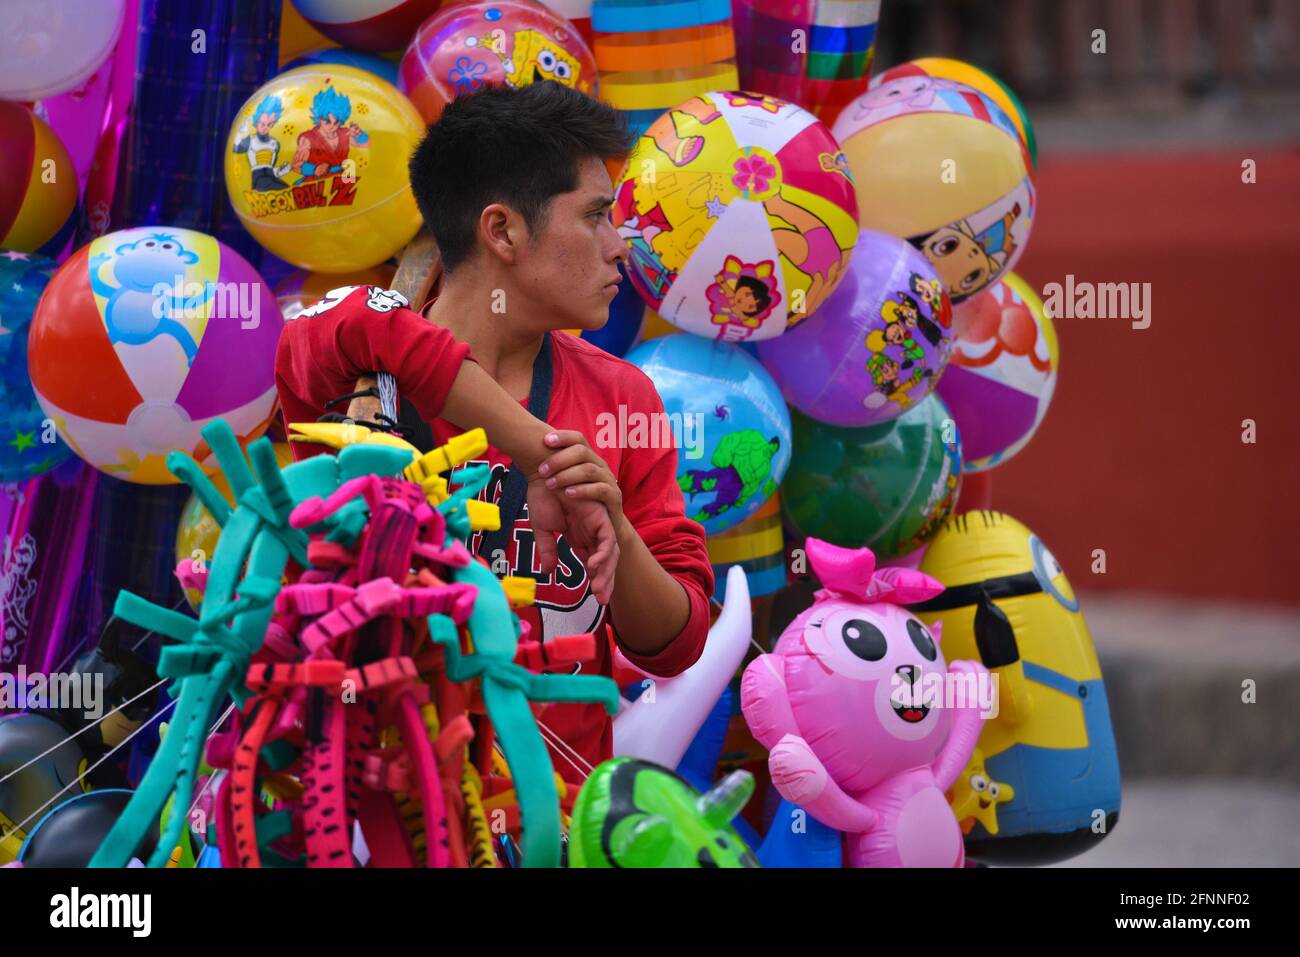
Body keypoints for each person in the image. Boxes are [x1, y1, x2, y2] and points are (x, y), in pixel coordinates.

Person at [274, 81, 714, 783]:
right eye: (596, 215)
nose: (618, 247)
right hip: (371, 809)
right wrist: (540, 454)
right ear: (503, 230)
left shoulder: (622, 395)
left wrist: (616, 531)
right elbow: (373, 325)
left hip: (552, 821)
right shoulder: (352, 362)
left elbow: (677, 642)